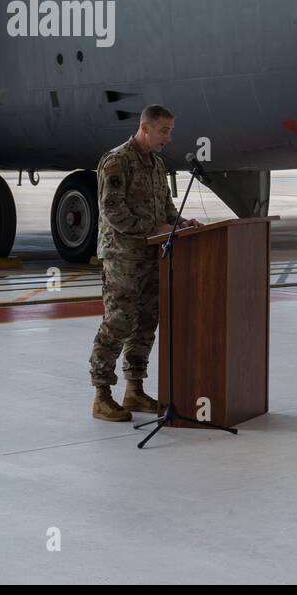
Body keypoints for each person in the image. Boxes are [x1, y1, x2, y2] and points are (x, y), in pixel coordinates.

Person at [88, 105, 199, 421]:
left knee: (147, 322)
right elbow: (112, 212)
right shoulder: (117, 162)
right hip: (123, 257)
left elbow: (165, 208)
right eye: (164, 130)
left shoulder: (157, 165)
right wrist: (155, 229)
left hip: (152, 255)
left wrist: (180, 223)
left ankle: (134, 389)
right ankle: (101, 395)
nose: (169, 137)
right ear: (146, 128)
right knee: (118, 322)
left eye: (170, 131)